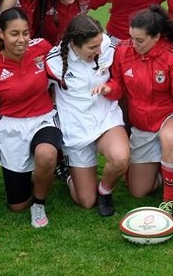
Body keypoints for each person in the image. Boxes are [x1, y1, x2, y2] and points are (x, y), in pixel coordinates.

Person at [92, 5, 173, 218]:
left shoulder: (172, 55)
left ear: (157, 37)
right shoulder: (124, 51)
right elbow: (117, 84)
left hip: (168, 119)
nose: (134, 44)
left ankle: (170, 196)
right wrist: (109, 89)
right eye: (131, 37)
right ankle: (172, 170)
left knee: (169, 137)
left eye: (140, 40)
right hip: (142, 126)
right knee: (137, 191)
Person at [0, 8, 63, 228]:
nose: (22, 39)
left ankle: (39, 203)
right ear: (1, 35)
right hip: (12, 126)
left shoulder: (42, 48)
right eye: (14, 34)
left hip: (43, 118)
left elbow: (61, 68)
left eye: (25, 33)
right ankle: (38, 177)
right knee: (17, 205)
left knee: (46, 154)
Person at [45, 15, 129, 216]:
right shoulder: (54, 61)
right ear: (74, 44)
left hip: (105, 119)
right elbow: (39, 92)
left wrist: (110, 87)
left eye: (100, 44)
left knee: (120, 158)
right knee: (86, 201)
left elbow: (119, 81)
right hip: (75, 129)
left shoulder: (107, 47)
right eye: (92, 47)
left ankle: (104, 191)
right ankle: (67, 173)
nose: (99, 50)